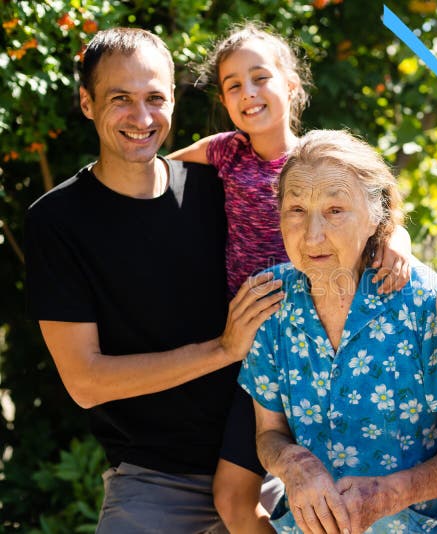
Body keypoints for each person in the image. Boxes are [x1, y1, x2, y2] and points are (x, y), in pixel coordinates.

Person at [23, 28, 286, 532]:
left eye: (155, 99)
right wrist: (224, 349)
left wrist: (391, 241)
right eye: (120, 99)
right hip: (152, 483)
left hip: (262, 464)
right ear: (86, 102)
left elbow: (332, 204)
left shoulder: (217, 186)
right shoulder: (57, 221)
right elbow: (85, 382)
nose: (142, 119)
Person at [168, 22, 413, 532]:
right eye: (233, 84)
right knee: (234, 500)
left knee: (339, 490)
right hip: (257, 345)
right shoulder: (224, 150)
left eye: (260, 78)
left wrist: (399, 243)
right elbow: (149, 169)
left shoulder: (314, 162)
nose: (247, 93)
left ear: (292, 86)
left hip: (320, 337)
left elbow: (382, 212)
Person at [238, 129, 437, 533]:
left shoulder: (425, 303)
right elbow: (268, 434)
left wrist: (390, 494)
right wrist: (295, 465)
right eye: (296, 210)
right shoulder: (269, 302)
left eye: (335, 210)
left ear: (376, 213)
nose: (312, 235)